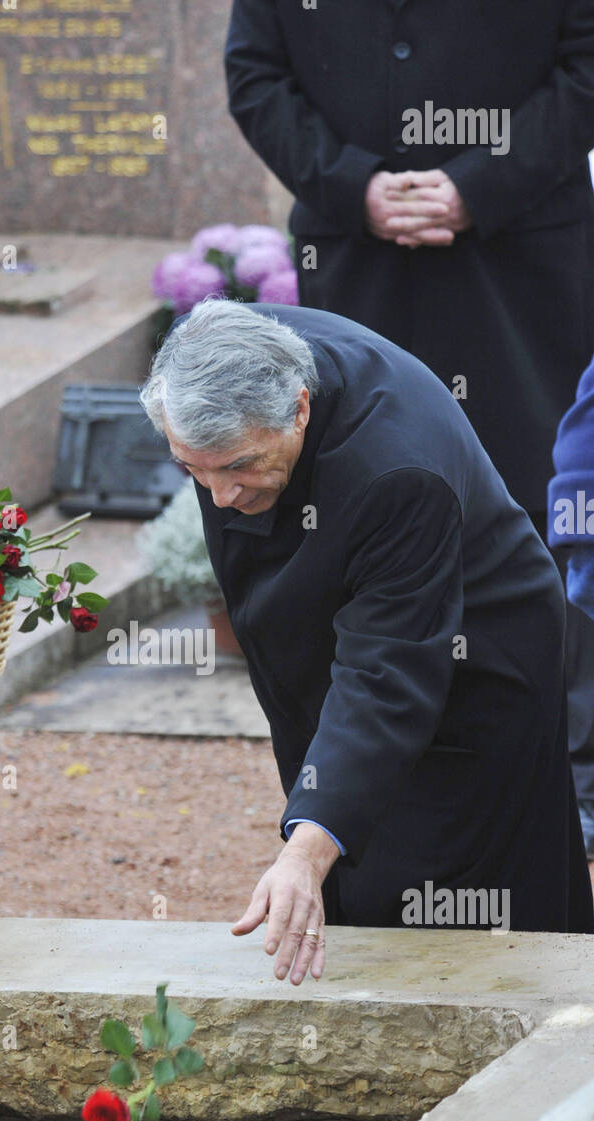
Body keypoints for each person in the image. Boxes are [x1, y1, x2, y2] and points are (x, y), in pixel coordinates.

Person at [224, 0, 594, 876]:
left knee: (536, 511)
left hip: (521, 262)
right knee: (348, 525)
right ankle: (351, 799)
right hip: (354, 262)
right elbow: (255, 73)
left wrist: (481, 182)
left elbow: (583, 60)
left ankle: (566, 776)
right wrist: (350, 184)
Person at [140, 300, 593, 985]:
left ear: (298, 408)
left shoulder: (396, 470)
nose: (220, 496)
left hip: (474, 654)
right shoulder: (210, 352)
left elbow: (385, 675)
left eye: (236, 467)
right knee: (358, 857)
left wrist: (305, 850)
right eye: (191, 471)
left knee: (442, 896)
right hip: (362, 618)